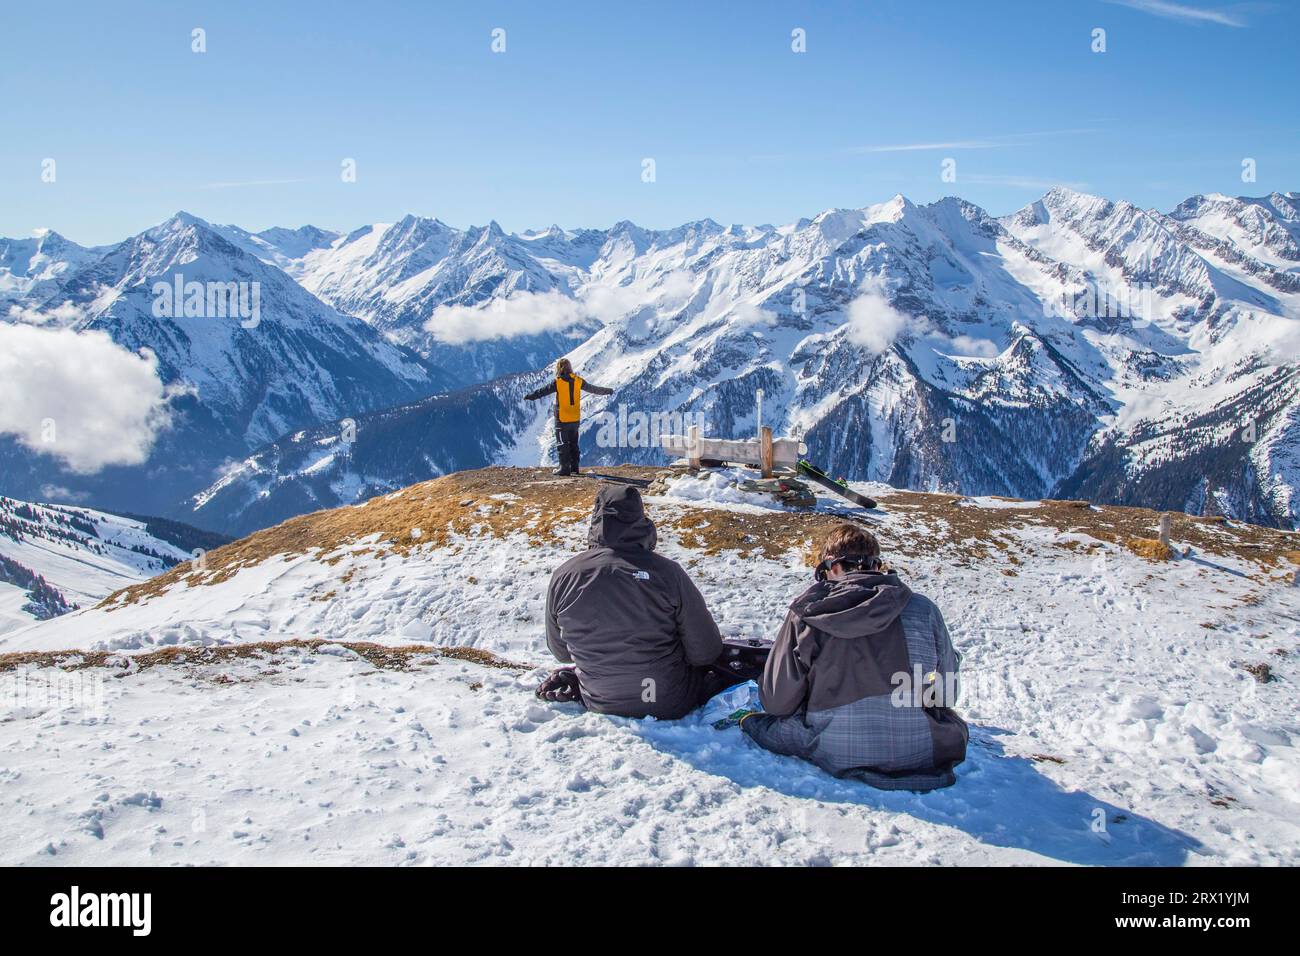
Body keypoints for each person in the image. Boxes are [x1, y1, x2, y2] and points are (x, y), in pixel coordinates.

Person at [739, 523, 968, 791]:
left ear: (833, 567)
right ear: (877, 565)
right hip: (920, 749)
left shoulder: (809, 614)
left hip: (835, 747)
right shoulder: (924, 610)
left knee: (761, 726)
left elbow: (777, 703)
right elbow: (946, 695)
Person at [537, 484, 742, 718]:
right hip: (665, 699)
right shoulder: (667, 573)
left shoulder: (564, 576)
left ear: (595, 521)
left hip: (599, 699)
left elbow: (561, 653)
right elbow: (705, 652)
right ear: (640, 520)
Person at [523, 358, 613, 476]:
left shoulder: (558, 382)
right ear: (570, 368)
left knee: (562, 444)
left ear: (559, 369)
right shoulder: (578, 381)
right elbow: (593, 389)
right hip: (575, 419)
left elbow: (542, 392)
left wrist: (529, 396)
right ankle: (574, 468)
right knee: (574, 443)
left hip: (562, 420)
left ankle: (564, 468)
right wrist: (608, 391)